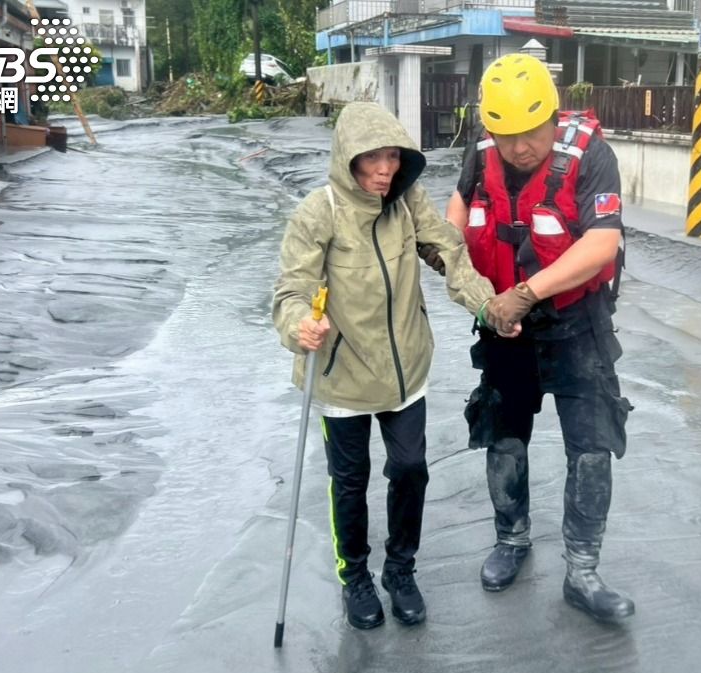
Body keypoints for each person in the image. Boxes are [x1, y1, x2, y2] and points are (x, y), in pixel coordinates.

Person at [272, 102, 496, 630]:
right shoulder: (319, 211)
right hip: (341, 378)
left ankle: (400, 570)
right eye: (371, 158)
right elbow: (291, 290)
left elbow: (449, 251)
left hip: (405, 373)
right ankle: (355, 578)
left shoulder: (407, 202)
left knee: (411, 470)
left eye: (392, 156)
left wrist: (488, 305)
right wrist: (299, 324)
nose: (383, 169)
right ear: (348, 158)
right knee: (349, 483)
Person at [436, 53, 635, 623]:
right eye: (506, 136)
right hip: (504, 329)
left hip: (576, 327)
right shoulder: (482, 155)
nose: (519, 148)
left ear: (553, 115)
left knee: (593, 448)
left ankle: (583, 570)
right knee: (503, 436)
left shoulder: (592, 156)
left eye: (530, 133)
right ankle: (512, 539)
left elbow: (600, 244)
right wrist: (453, 258)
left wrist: (525, 292)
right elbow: (457, 210)